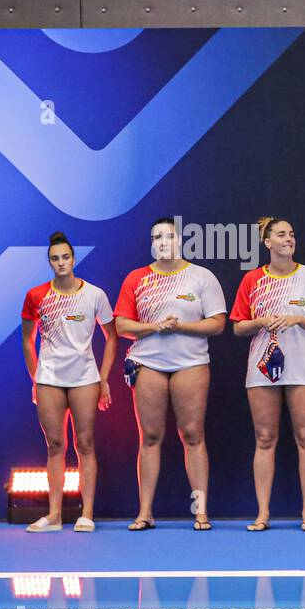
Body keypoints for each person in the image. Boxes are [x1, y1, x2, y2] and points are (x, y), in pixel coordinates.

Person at [114, 217, 226, 530]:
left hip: (190, 364)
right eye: (157, 237)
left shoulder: (201, 277)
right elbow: (122, 325)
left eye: (169, 236)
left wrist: (182, 327)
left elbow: (217, 322)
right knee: (149, 437)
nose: (163, 242)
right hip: (147, 363)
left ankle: (200, 511)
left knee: (192, 435)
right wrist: (154, 327)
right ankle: (145, 512)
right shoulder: (137, 279)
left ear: (180, 240)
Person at [229, 218, 305, 531]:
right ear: (267, 243)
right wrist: (261, 321)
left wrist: (297, 319)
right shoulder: (252, 280)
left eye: (291, 233)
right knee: (264, 438)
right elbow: (238, 326)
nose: (288, 238)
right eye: (281, 234)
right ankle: (262, 513)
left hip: (302, 369)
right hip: (263, 369)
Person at [20, 232, 117, 532]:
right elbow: (27, 340)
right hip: (49, 379)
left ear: (73, 259)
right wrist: (36, 377)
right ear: (49, 262)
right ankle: (54, 516)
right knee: (55, 445)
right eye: (55, 258)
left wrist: (103, 379)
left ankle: (86, 514)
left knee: (84, 444)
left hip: (85, 378)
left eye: (65, 257)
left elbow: (112, 337)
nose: (61, 262)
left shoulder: (95, 295)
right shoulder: (36, 295)